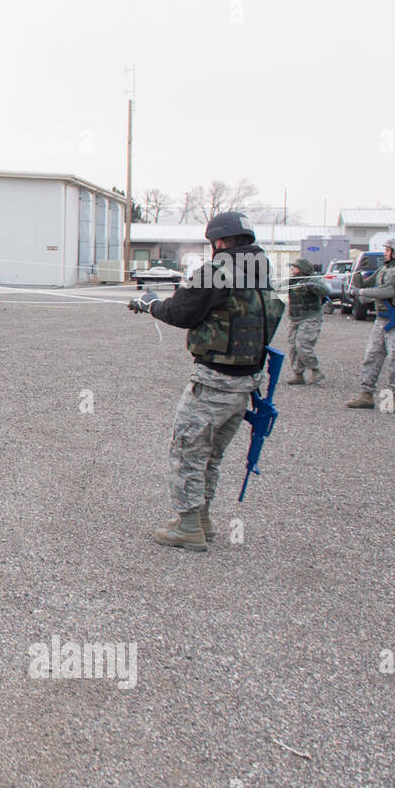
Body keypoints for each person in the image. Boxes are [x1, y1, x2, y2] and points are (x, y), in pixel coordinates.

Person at [127, 211, 284, 552]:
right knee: (210, 456)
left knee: (187, 452)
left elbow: (182, 312)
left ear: (221, 242)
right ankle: (202, 518)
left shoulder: (216, 272)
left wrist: (149, 304)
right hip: (245, 385)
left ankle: (187, 526)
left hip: (214, 382)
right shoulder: (262, 272)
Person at [346, 236, 395, 414]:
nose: (384, 253)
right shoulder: (384, 269)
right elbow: (366, 284)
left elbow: (388, 291)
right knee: (372, 356)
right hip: (381, 319)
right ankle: (366, 394)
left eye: (388, 250)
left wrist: (361, 291)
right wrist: (356, 275)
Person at [281, 257, 329, 385]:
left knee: (303, 345)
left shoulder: (313, 280)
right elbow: (277, 288)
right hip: (294, 319)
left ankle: (315, 370)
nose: (293, 270)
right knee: (293, 347)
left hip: (310, 318)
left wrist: (312, 286)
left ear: (303, 269)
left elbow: (325, 291)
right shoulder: (292, 281)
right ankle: (298, 374)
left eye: (296, 267)